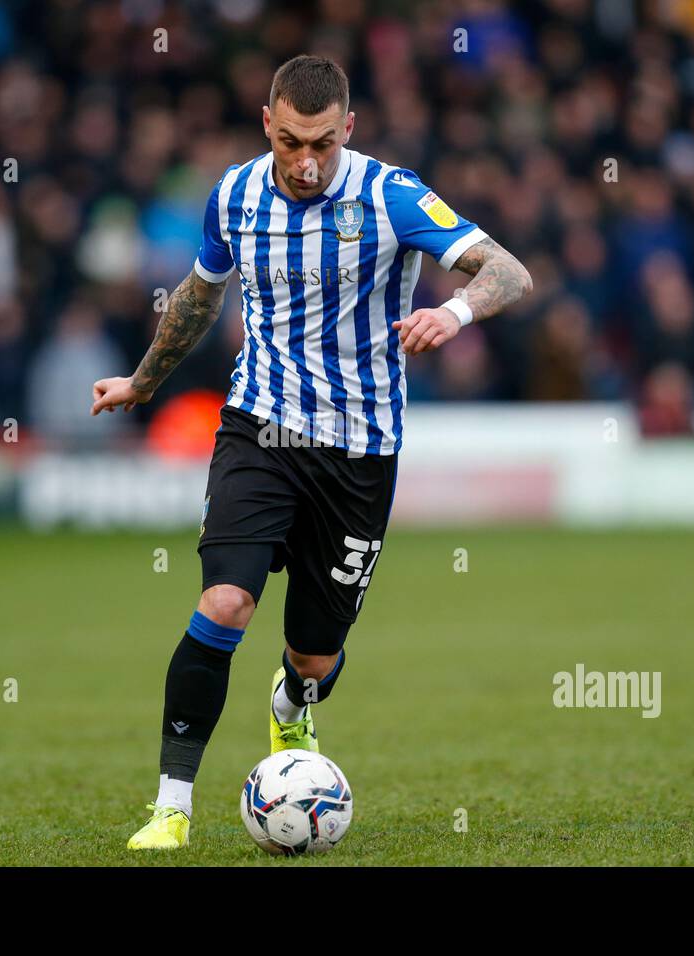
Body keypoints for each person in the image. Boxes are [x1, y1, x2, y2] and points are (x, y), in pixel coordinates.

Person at [90, 54, 532, 850]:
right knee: (225, 602)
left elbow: (509, 270)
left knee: (316, 655)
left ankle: (291, 707)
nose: (305, 161)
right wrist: (144, 381)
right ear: (267, 123)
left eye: (322, 143)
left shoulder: (391, 194)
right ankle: (171, 806)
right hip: (259, 428)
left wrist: (456, 313)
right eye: (291, 140)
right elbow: (200, 292)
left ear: (349, 130)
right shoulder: (234, 194)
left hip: (359, 453)